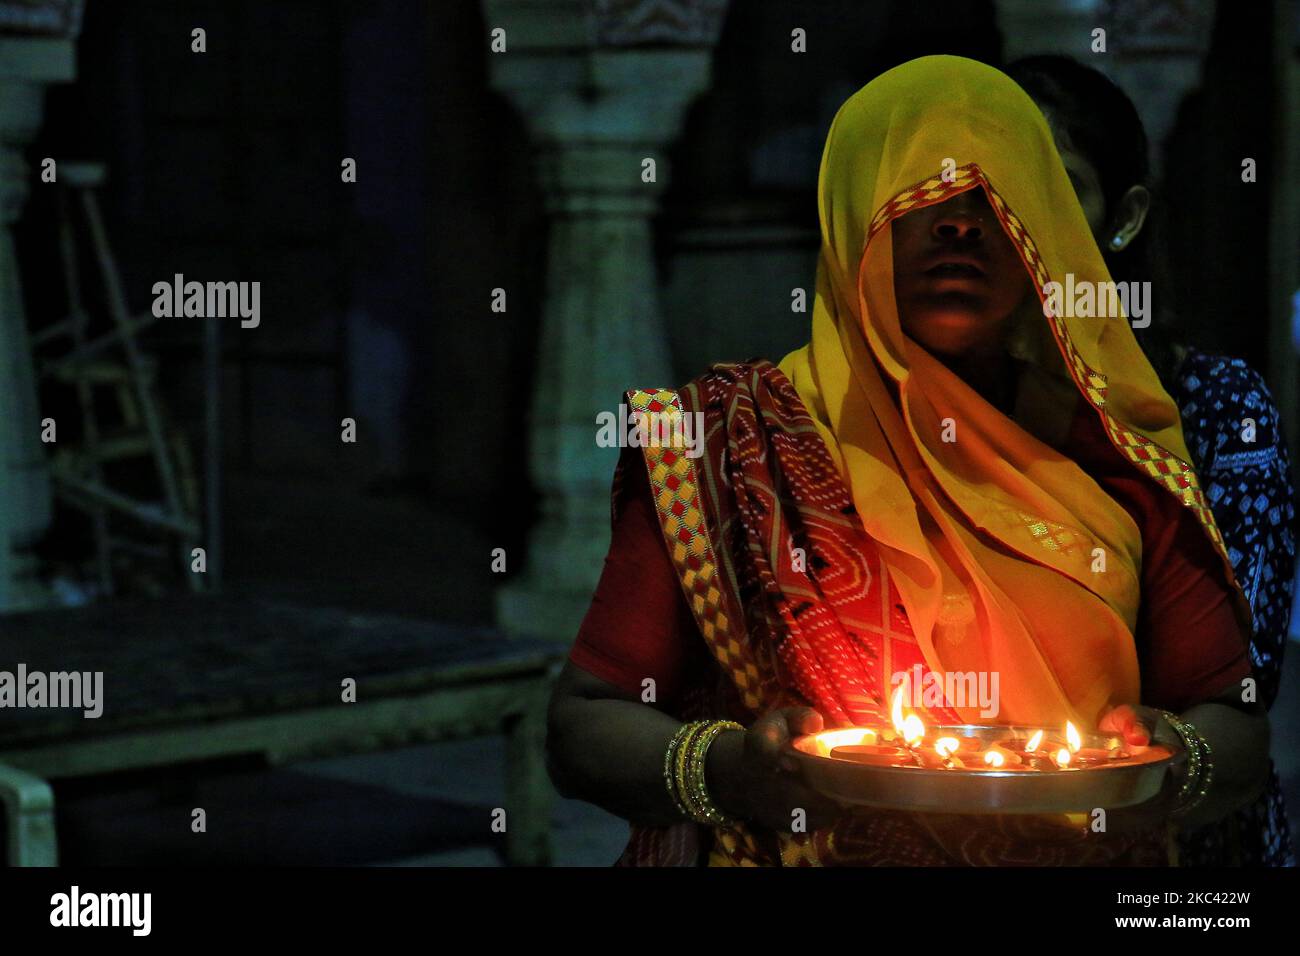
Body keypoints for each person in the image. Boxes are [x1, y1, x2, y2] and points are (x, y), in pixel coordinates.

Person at [546, 55, 1270, 866]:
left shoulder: (1118, 453)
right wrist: (732, 769)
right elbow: (584, 722)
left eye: (991, 198)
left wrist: (1172, 759)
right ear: (855, 217)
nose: (958, 224)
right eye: (918, 196)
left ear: (1041, 222)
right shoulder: (728, 439)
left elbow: (1235, 726)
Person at [1008, 54, 1295, 867]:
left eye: (1059, 184)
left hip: (1184, 849)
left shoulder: (1209, 407)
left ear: (1123, 217)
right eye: (990, 181)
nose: (1018, 214)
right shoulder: (933, 405)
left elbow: (1246, 678)